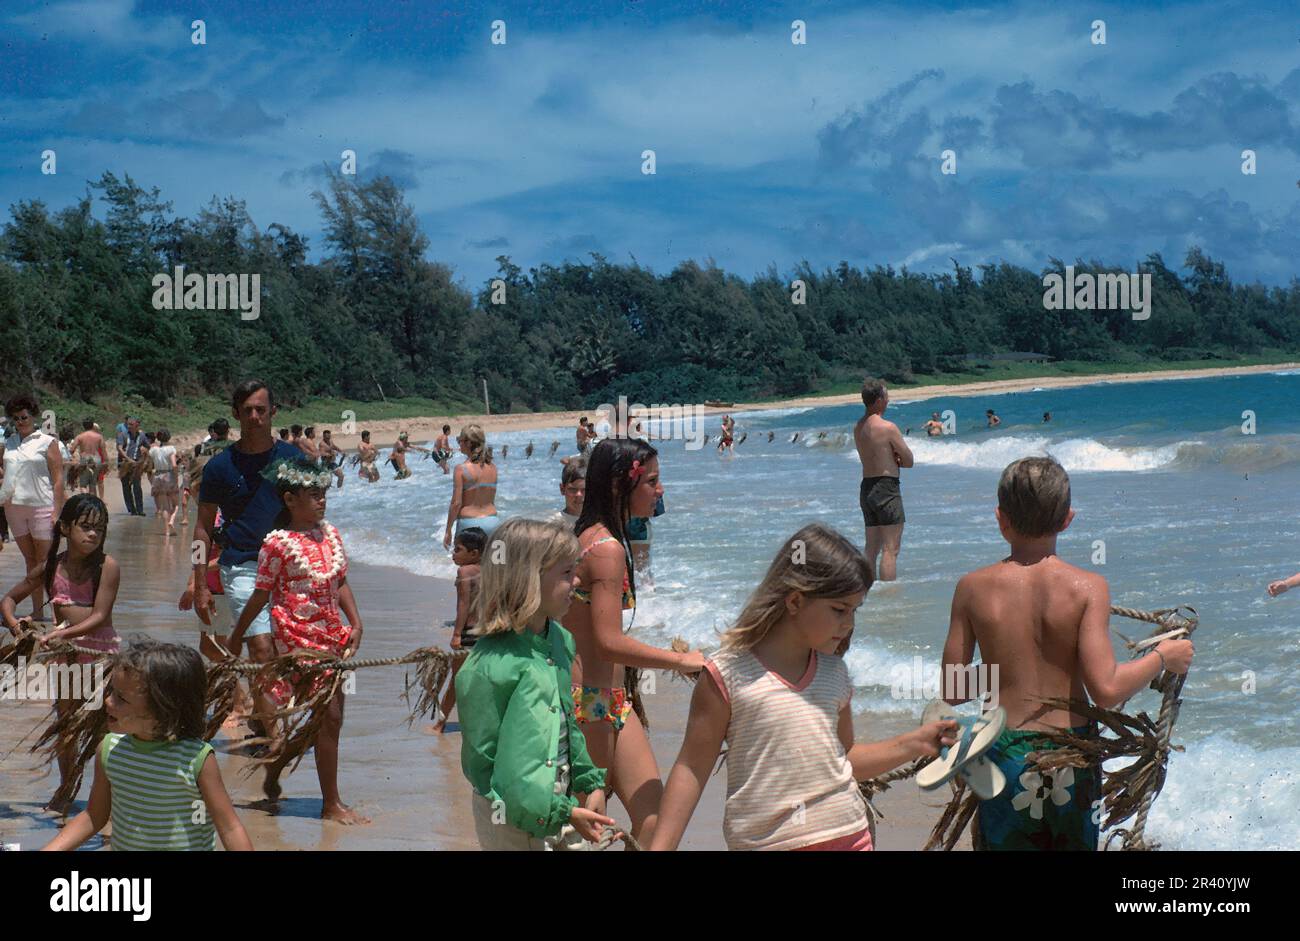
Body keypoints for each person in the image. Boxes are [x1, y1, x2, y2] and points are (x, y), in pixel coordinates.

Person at [650, 524, 957, 851]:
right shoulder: (728, 674)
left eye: (854, 611)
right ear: (795, 600)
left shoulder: (834, 673)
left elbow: (845, 757)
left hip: (850, 835)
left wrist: (914, 743)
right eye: (839, 609)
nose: (849, 623)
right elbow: (691, 768)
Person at [941, 457, 1195, 851]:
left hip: (1002, 750)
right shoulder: (1087, 588)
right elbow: (1107, 690)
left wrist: (1003, 668)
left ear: (1000, 518)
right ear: (1068, 519)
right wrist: (1163, 656)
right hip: (1070, 756)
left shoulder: (972, 588)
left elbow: (955, 689)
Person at [563, 438, 705, 845]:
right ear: (618, 486)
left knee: (656, 823)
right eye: (653, 481)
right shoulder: (606, 550)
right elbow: (607, 643)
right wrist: (681, 662)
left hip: (607, 700)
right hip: (588, 703)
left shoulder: (589, 534)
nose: (660, 491)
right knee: (592, 827)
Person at [454, 517, 615, 850]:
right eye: (567, 572)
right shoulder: (488, 667)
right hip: (508, 814)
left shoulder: (559, 639)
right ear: (527, 580)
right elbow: (488, 767)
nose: (578, 580)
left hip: (561, 799)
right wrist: (560, 810)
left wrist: (589, 781)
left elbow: (567, 721)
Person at [226, 457, 368, 823]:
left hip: (331, 637)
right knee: (328, 716)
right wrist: (237, 636)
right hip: (296, 639)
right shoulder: (277, 543)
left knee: (328, 719)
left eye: (324, 494)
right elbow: (261, 595)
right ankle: (330, 803)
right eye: (314, 495)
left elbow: (341, 582)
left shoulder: (331, 536)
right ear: (290, 500)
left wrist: (356, 622)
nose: (322, 501)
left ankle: (277, 769)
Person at [42, 640, 252, 851]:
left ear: (163, 710)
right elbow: (93, 816)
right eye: (111, 692)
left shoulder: (195, 758)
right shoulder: (110, 749)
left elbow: (229, 828)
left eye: (121, 698)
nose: (108, 701)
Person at [188, 380, 303, 740]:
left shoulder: (293, 460)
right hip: (240, 565)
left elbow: (312, 514)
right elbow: (203, 528)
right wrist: (197, 584)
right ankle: (275, 740)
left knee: (288, 652)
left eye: (261, 409)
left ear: (273, 413)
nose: (255, 416)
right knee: (261, 648)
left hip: (288, 566)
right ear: (236, 414)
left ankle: (261, 717)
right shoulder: (220, 467)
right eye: (247, 410)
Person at [2, 495, 120, 812]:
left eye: (99, 529)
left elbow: (99, 616)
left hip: (100, 657)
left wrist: (61, 633)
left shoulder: (108, 567)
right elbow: (8, 601)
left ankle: (104, 796)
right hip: (65, 661)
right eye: (85, 527)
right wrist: (18, 628)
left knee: (99, 730)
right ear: (65, 528)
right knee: (66, 727)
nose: (93, 535)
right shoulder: (51, 566)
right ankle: (66, 788)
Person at [2, 395, 66, 619]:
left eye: (24, 417)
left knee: (46, 564)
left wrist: (57, 511)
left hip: (42, 506)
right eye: (16, 418)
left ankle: (57, 613)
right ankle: (37, 612)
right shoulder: (9, 442)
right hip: (14, 509)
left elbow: (58, 479)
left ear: (33, 416)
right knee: (30, 562)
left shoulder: (47, 442)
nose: (20, 421)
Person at [853, 378, 912, 582]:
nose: (887, 401)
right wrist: (897, 459)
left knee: (871, 548)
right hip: (886, 486)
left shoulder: (858, 427)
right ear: (878, 400)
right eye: (886, 397)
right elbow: (909, 460)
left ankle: (865, 589)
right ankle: (889, 597)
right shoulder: (887, 427)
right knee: (890, 549)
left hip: (866, 488)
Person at [432, 526, 486, 733]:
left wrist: (456, 634)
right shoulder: (490, 571)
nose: (453, 554)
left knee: (456, 680)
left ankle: (440, 723)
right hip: (487, 633)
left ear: (474, 553)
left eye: (458, 549)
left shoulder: (464, 572)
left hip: (468, 633)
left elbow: (463, 605)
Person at [443, 424, 499, 548]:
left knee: (467, 567)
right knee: (497, 564)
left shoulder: (461, 469)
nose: (459, 444)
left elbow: (456, 503)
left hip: (469, 526)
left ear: (468, 443)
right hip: (494, 524)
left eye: (460, 440)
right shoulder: (493, 468)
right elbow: (491, 499)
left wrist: (448, 530)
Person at [115, 416, 148, 517]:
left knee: (137, 486)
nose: (128, 426)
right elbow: (119, 449)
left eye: (131, 425)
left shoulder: (142, 436)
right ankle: (131, 509)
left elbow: (148, 446)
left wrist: (144, 456)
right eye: (128, 424)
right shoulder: (122, 435)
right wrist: (128, 459)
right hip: (124, 464)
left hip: (136, 464)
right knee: (126, 487)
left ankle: (140, 509)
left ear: (137, 425)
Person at [149, 428, 180, 534]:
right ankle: (171, 521)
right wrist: (176, 479)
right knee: (176, 504)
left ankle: (167, 531)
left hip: (157, 476)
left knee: (165, 506)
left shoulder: (154, 450)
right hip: (168, 475)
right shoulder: (171, 449)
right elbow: (174, 465)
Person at [551, 459, 586, 530]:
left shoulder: (599, 523)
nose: (579, 494)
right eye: (573, 489)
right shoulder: (554, 525)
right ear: (562, 489)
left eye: (584, 490)